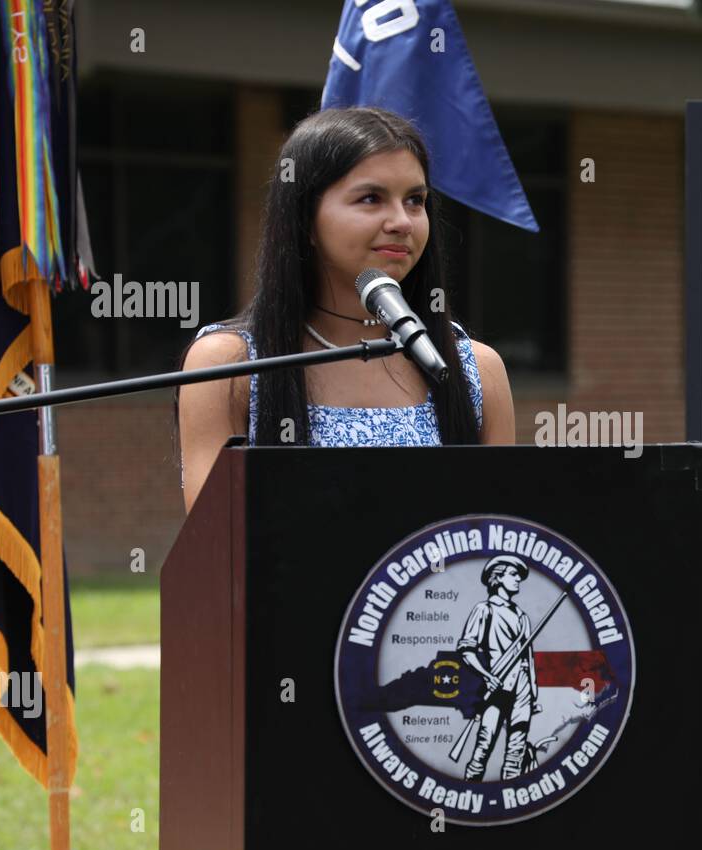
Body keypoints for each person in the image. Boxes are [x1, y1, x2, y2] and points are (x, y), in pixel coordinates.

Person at [175, 107, 516, 512]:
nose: (402, 221)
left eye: (415, 200)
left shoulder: (474, 368)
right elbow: (217, 545)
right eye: (371, 198)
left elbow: (500, 534)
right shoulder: (230, 365)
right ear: (305, 221)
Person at [457, 555, 539, 781]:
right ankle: (471, 786)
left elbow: (528, 658)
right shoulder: (484, 610)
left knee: (517, 744)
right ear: (498, 577)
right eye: (513, 575)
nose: (518, 581)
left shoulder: (523, 617)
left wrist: (533, 693)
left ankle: (509, 791)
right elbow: (466, 650)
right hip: (498, 683)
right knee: (485, 740)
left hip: (522, 686)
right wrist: (486, 676)